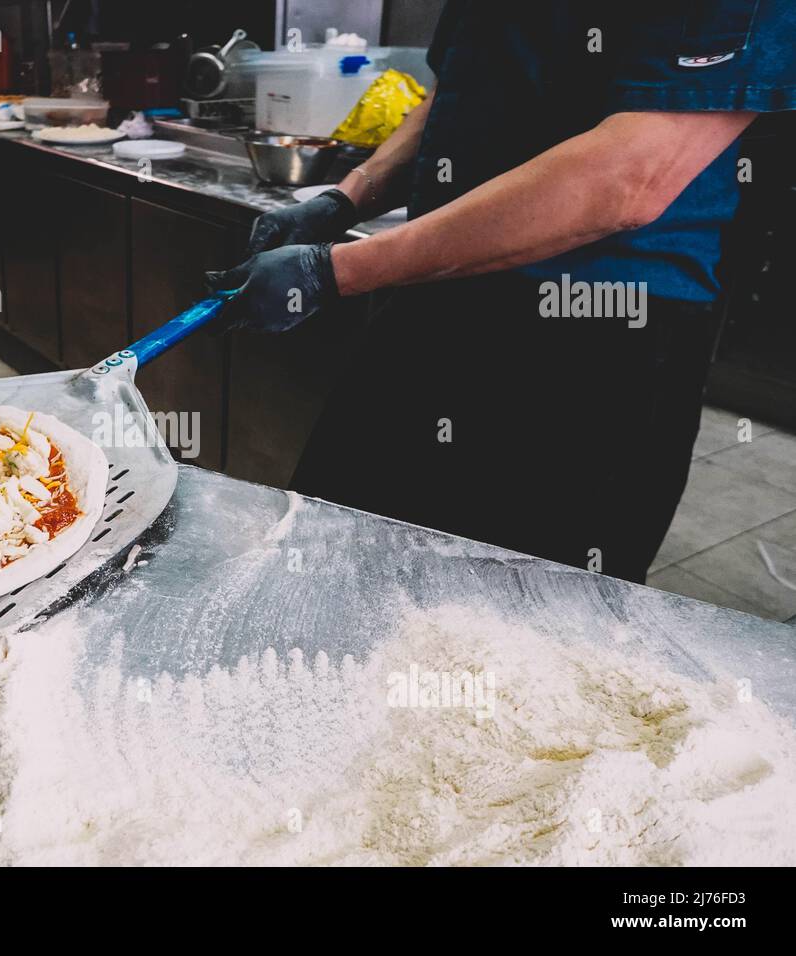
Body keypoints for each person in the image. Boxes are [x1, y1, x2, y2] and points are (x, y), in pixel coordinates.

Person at [207, 0, 795, 583]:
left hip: (601, 339)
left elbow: (628, 178)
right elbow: (459, 90)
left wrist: (333, 271)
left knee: (525, 619)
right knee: (329, 555)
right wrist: (347, 198)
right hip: (440, 294)